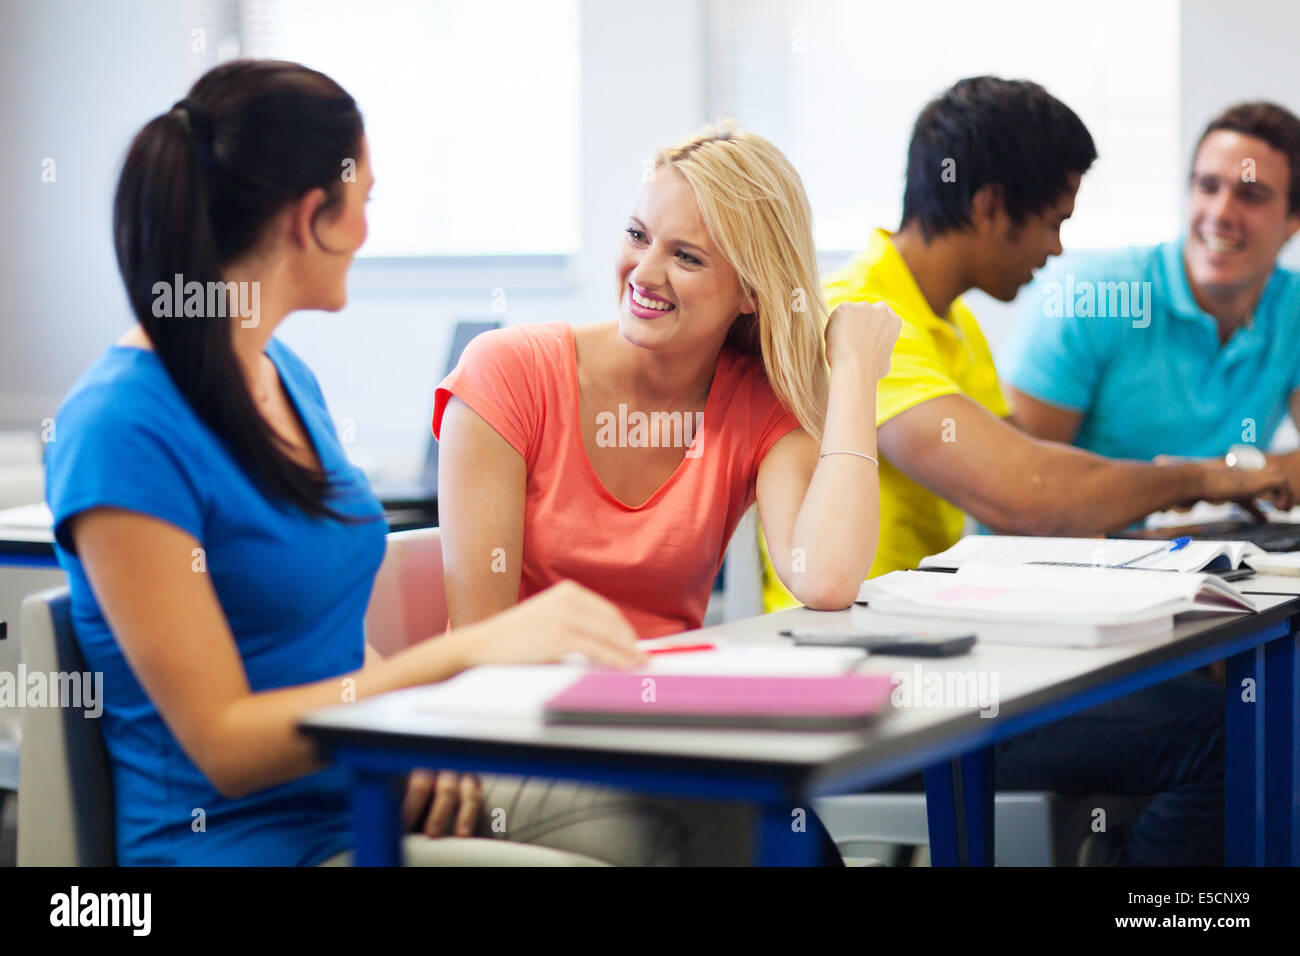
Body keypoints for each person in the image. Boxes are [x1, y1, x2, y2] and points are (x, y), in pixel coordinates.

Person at [45, 59, 652, 867]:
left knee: (677, 818)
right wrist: (467, 654)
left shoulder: (285, 378)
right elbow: (227, 745)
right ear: (313, 217)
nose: (368, 229)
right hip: (241, 847)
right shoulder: (121, 427)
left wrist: (419, 732)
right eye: (364, 200)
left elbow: (326, 644)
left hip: (366, 798)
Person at [765, 77, 1292, 865]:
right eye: (1052, 221)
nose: (1056, 250)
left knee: (1235, 708)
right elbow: (1029, 497)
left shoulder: (956, 325)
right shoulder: (862, 318)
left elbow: (1045, 479)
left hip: (951, 651)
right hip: (871, 685)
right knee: (1231, 735)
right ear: (986, 207)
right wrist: (1216, 476)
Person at [1002, 102, 1300, 493]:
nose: (1221, 213)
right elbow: (1020, 486)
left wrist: (1238, 470)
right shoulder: (1090, 295)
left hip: (1219, 546)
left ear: (1293, 221)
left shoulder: (1292, 307)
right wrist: (1193, 482)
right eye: (1207, 187)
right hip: (1082, 547)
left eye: (1251, 195)